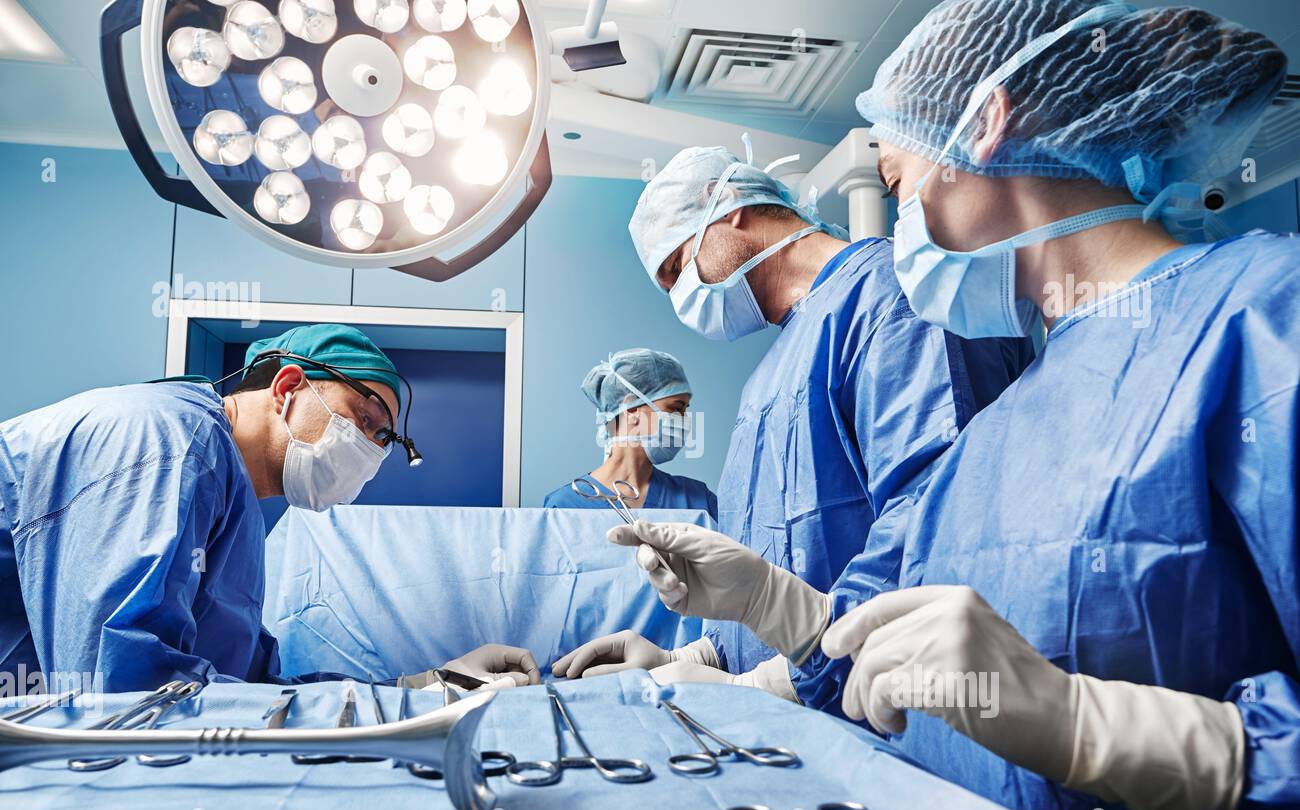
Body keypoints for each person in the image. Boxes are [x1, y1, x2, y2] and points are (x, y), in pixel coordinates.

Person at [607, 0, 1299, 810]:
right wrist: (766, 609)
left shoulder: (1269, 317)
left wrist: (1111, 735)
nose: (897, 223)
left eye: (894, 183)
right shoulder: (1007, 422)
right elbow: (911, 663)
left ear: (987, 125)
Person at [553, 134, 1032, 699]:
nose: (683, 297)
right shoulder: (770, 374)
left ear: (731, 212)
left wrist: (773, 681)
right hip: (803, 713)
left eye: (679, 266)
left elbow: (934, 528)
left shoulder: (895, 299)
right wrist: (698, 655)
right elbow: (771, 571)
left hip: (888, 714)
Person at [0, 323, 537, 693]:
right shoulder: (166, 439)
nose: (371, 448)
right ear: (286, 387)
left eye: (383, 438)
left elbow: (247, 695)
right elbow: (128, 697)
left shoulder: (236, 516)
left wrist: (420, 691)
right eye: (363, 418)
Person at [543, 348, 717, 518]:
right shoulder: (565, 506)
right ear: (632, 408)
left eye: (686, 409)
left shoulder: (698, 500)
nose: (684, 419)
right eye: (676, 408)